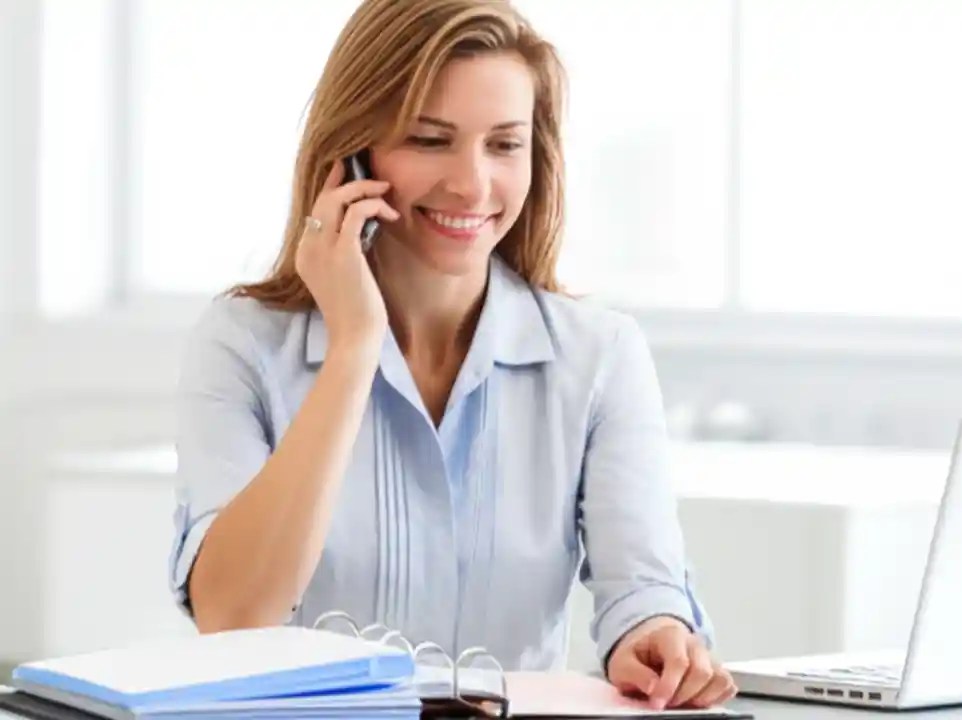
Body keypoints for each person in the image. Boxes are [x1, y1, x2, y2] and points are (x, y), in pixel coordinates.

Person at [165, 0, 736, 710]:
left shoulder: (601, 356)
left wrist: (655, 636)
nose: (472, 184)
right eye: (430, 140)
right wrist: (352, 349)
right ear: (350, 154)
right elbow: (233, 616)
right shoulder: (242, 343)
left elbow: (642, 591)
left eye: (504, 145)